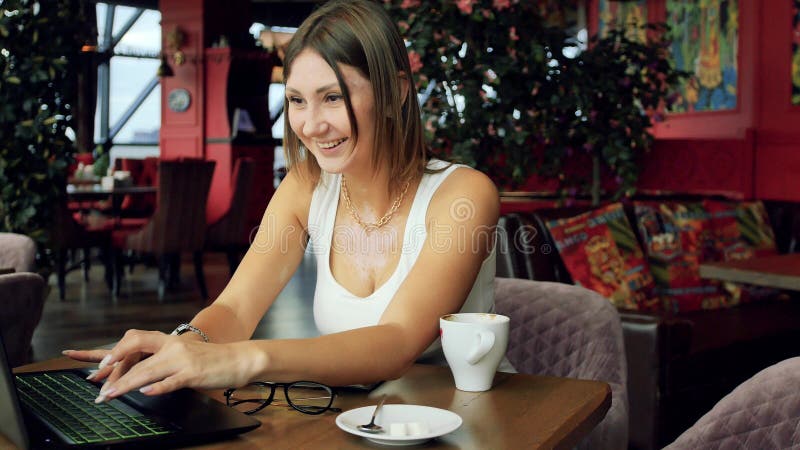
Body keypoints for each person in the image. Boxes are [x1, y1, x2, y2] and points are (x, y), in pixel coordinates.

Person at [64, 0, 501, 403]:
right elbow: (235, 308)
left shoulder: (463, 195)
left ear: (396, 93)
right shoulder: (306, 185)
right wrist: (184, 345)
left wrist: (244, 360)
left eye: (333, 98)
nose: (311, 126)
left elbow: (398, 341)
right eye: (296, 101)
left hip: (470, 418)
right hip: (361, 417)